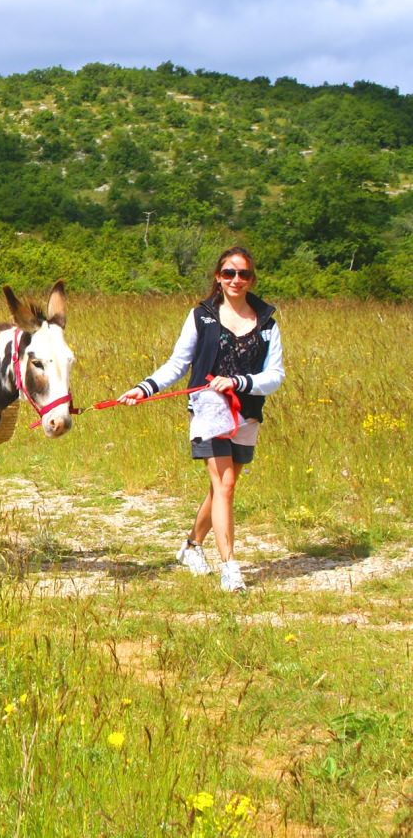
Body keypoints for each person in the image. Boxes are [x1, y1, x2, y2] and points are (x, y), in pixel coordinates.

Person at [118, 246, 284, 592]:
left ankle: (192, 546)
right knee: (224, 486)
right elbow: (178, 364)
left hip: (247, 412)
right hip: (208, 407)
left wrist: (241, 382)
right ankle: (230, 568)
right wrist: (144, 388)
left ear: (252, 278)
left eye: (243, 274)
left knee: (223, 487)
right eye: (228, 273)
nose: (235, 280)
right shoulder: (201, 316)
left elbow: (276, 375)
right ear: (218, 277)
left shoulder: (267, 322)